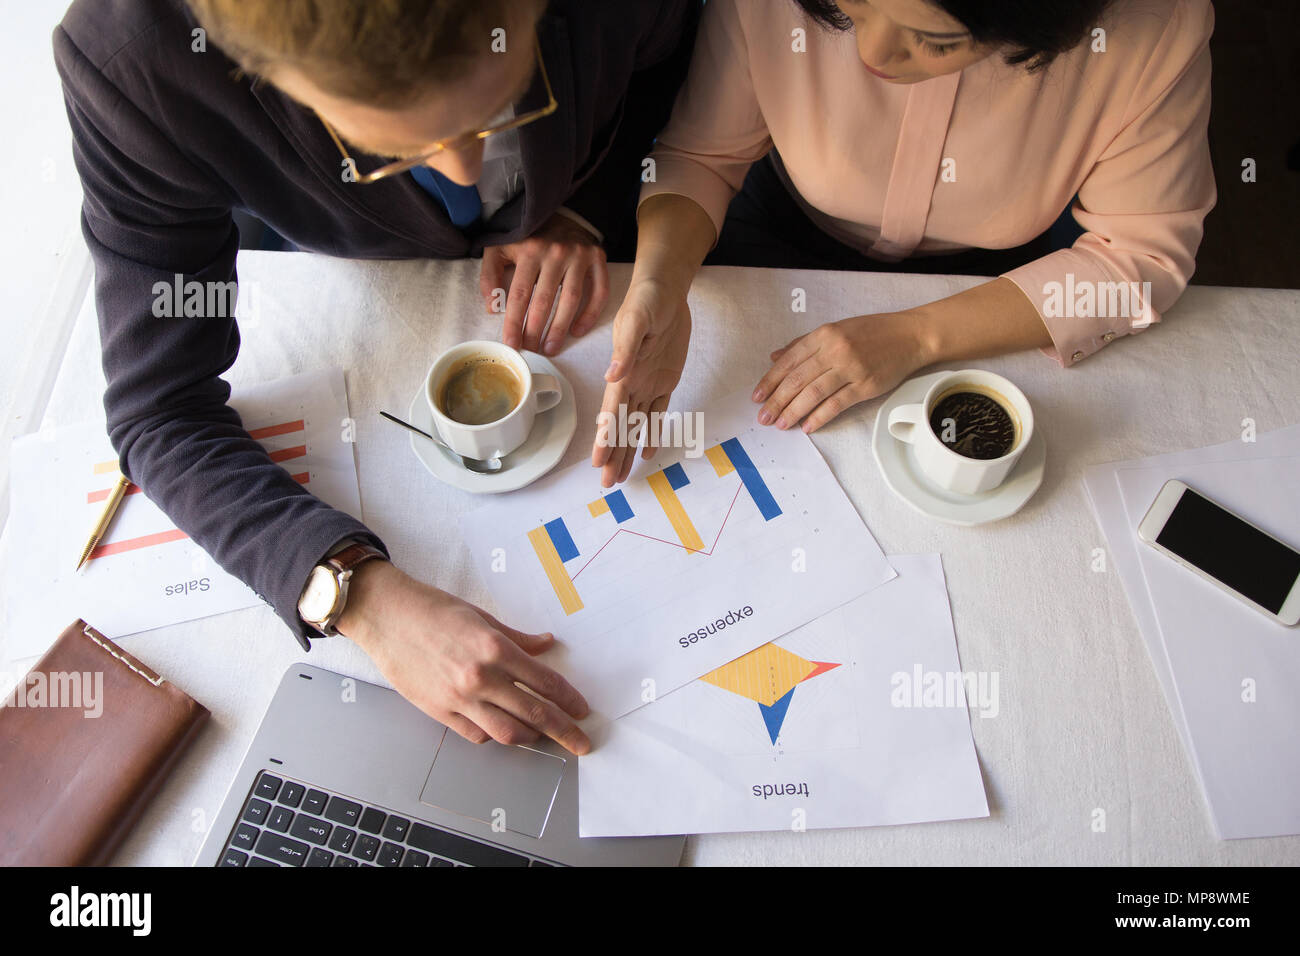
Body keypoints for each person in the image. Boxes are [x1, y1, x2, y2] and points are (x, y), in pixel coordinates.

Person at [54, 0, 699, 755]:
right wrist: (355, 592)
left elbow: (670, 52)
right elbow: (159, 411)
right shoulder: (133, 67)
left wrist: (578, 208)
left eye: (497, 104)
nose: (464, 166)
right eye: (393, 144)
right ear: (265, 72)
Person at [592, 0, 1216, 487]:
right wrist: (660, 283)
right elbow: (702, 155)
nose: (873, 52)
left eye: (937, 41)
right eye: (849, 8)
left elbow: (1140, 258)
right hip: (776, 221)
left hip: (996, 280)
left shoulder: (1152, 31)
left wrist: (916, 337)